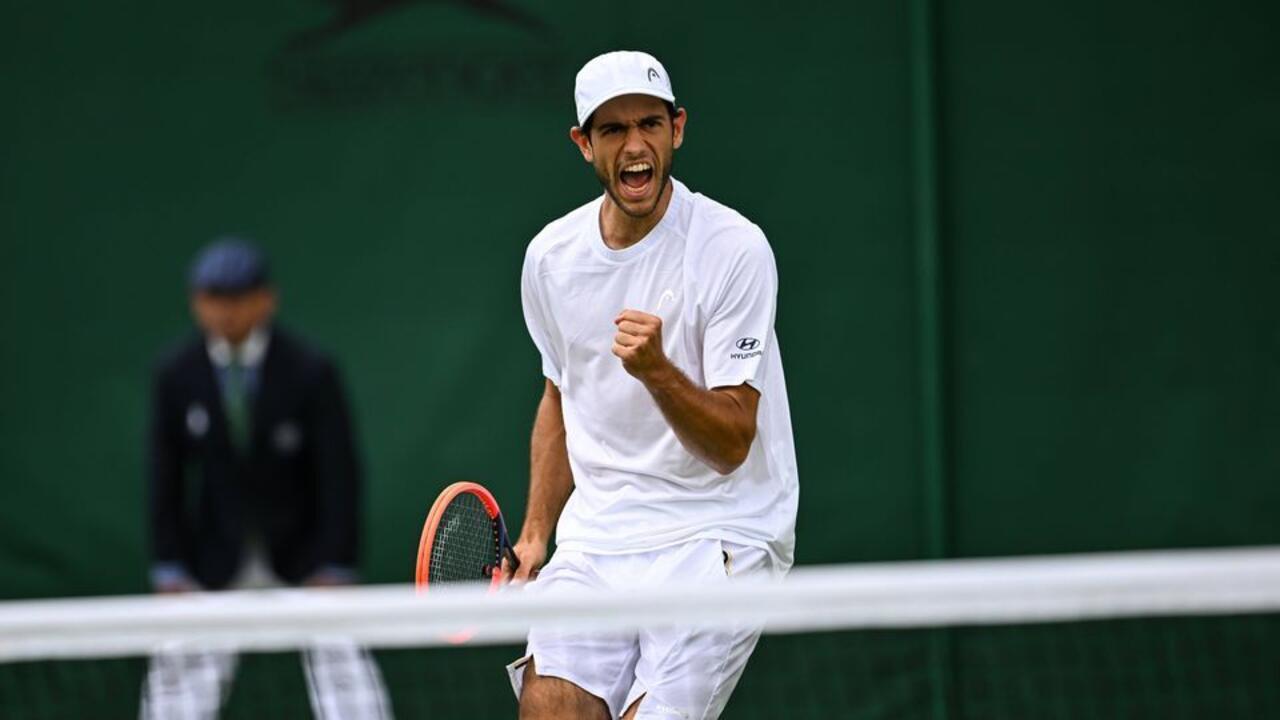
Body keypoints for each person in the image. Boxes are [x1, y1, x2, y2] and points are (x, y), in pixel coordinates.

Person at [504, 51, 799, 720]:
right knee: (547, 708)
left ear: (678, 129)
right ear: (584, 145)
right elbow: (560, 394)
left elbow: (730, 444)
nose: (635, 146)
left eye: (649, 124)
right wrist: (534, 533)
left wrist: (660, 372)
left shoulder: (733, 249)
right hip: (599, 537)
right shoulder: (550, 259)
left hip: (720, 532)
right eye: (612, 130)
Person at [142, 237, 391, 719]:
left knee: (344, 665)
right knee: (177, 678)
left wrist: (335, 563)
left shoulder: (311, 370)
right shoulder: (177, 373)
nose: (224, 313)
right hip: (212, 559)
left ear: (265, 299)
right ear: (196, 303)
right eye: (212, 299)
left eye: (235, 298)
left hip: (304, 556)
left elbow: (340, 474)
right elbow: (164, 476)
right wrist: (170, 565)